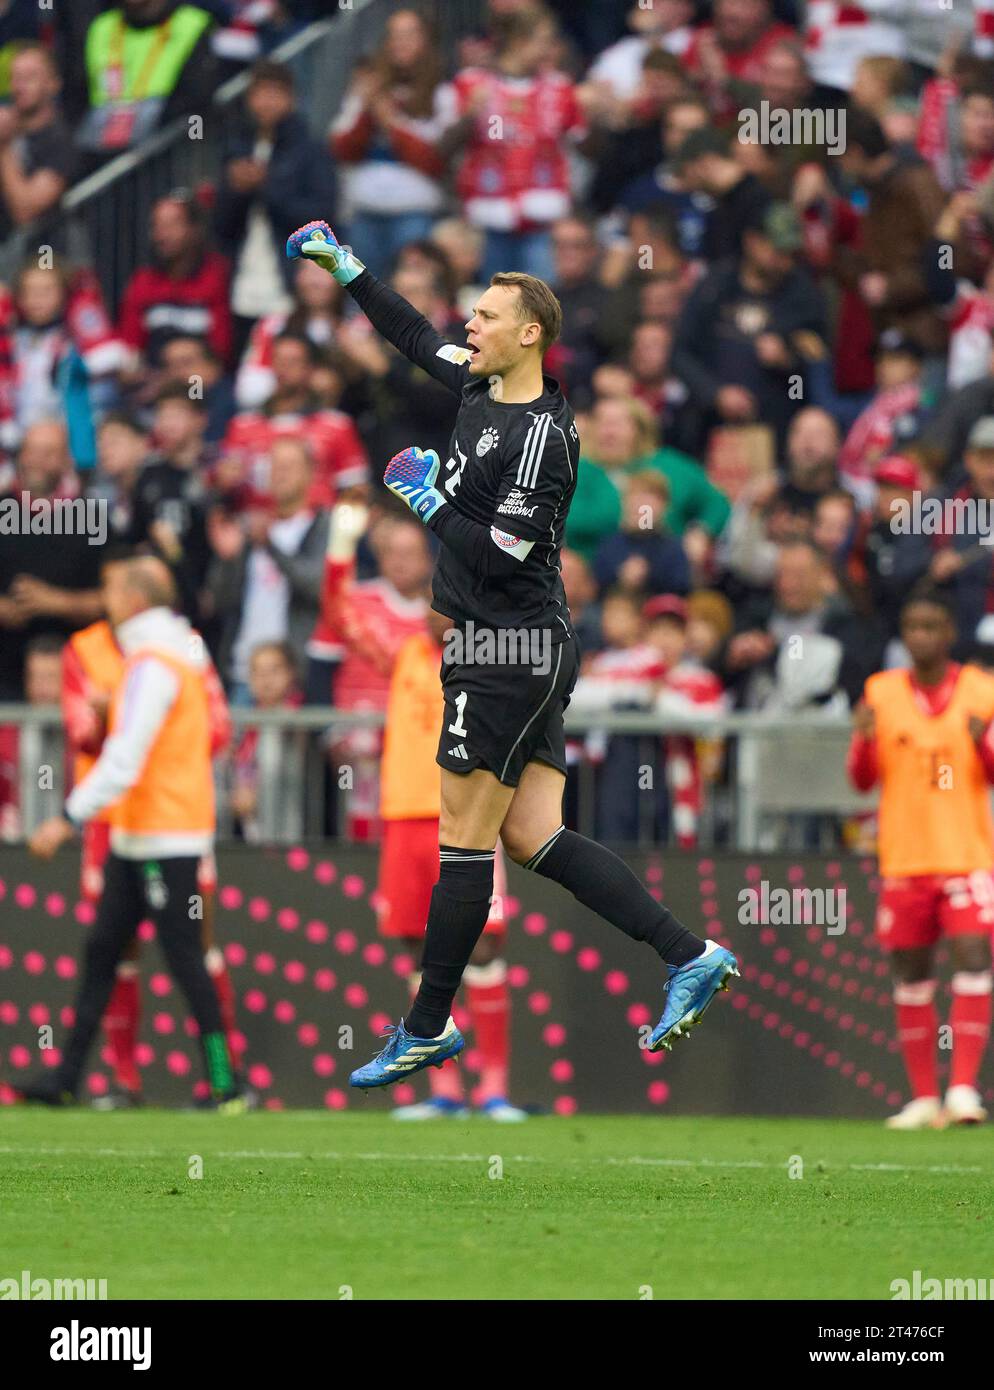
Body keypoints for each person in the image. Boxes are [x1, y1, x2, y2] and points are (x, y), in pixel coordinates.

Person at [287, 215, 738, 1087]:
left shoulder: (545, 435)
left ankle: (424, 1025)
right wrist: (350, 269)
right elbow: (413, 333)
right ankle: (688, 954)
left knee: (463, 835)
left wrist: (424, 500)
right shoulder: (476, 389)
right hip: (507, 646)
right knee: (533, 836)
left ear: (530, 333)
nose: (469, 326)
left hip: (509, 647)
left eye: (487, 316)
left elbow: (502, 553)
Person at [20, 555, 243, 1110]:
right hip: (138, 834)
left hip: (166, 836)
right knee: (104, 953)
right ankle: (66, 1079)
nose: (105, 598)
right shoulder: (170, 654)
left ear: (136, 600)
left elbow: (125, 758)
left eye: (113, 588)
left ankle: (226, 1082)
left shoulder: (154, 663)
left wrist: (67, 816)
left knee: (184, 958)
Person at [848, 588, 994, 1129]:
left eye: (931, 626)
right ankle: (923, 1097)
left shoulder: (982, 692)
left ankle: (962, 1091)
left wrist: (983, 746)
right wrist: (862, 742)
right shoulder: (881, 694)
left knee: (974, 959)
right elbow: (862, 781)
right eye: (912, 627)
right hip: (905, 857)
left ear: (949, 633)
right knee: (911, 974)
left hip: (965, 853)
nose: (920, 637)